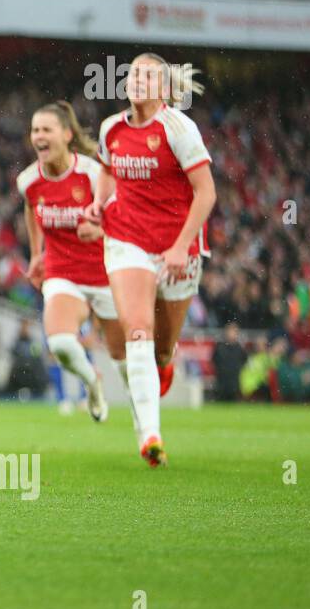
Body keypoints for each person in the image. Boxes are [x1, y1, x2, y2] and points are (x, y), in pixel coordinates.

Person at [83, 53, 216, 468]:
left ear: (163, 88)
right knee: (136, 330)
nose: (138, 79)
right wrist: (98, 204)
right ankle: (150, 436)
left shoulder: (179, 128)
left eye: (148, 75)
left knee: (161, 348)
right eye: (134, 73)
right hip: (126, 239)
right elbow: (107, 171)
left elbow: (206, 193)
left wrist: (179, 247)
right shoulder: (111, 129)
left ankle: (164, 362)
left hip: (178, 246)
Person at [19, 101, 122, 421]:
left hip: (106, 273)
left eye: (46, 129)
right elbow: (31, 210)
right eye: (35, 130)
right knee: (61, 343)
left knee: (127, 358)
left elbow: (123, 215)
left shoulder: (92, 175)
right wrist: (37, 254)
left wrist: (102, 227)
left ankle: (146, 428)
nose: (39, 136)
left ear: (66, 134)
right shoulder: (28, 181)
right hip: (62, 273)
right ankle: (92, 383)